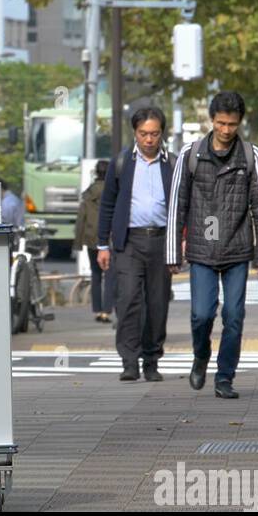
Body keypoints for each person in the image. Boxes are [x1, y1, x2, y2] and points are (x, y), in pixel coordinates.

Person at [165, 92, 258, 399]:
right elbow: (177, 204)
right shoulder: (191, 154)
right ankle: (201, 356)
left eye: (233, 124)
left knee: (234, 316)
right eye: (221, 123)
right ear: (211, 121)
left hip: (237, 249)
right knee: (201, 314)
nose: (227, 130)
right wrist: (173, 250)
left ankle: (225, 376)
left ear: (240, 123)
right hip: (201, 250)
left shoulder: (251, 156)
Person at [97, 107, 175, 382]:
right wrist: (102, 245)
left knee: (157, 302)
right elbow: (107, 203)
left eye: (154, 134)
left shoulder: (173, 164)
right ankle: (129, 361)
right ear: (135, 133)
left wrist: (183, 241)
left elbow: (183, 206)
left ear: (162, 134)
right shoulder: (121, 163)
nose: (149, 139)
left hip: (162, 241)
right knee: (128, 299)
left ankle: (151, 360)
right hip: (129, 241)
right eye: (143, 134)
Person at [74, 160, 115, 323]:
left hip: (91, 237)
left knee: (96, 274)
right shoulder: (114, 191)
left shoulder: (89, 194)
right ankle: (107, 310)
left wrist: (78, 242)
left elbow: (80, 219)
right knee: (111, 274)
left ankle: (97, 309)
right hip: (110, 237)